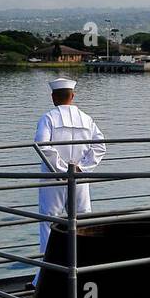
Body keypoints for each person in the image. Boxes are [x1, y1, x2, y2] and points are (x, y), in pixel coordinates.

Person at [34, 78, 106, 285]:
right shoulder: (86, 118)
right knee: (83, 222)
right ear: (72, 96)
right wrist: (82, 167)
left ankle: (46, 276)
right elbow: (100, 146)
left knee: (49, 221)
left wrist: (61, 169)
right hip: (80, 178)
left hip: (53, 178)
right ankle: (84, 268)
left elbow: (42, 145)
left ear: (53, 97)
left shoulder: (48, 118)